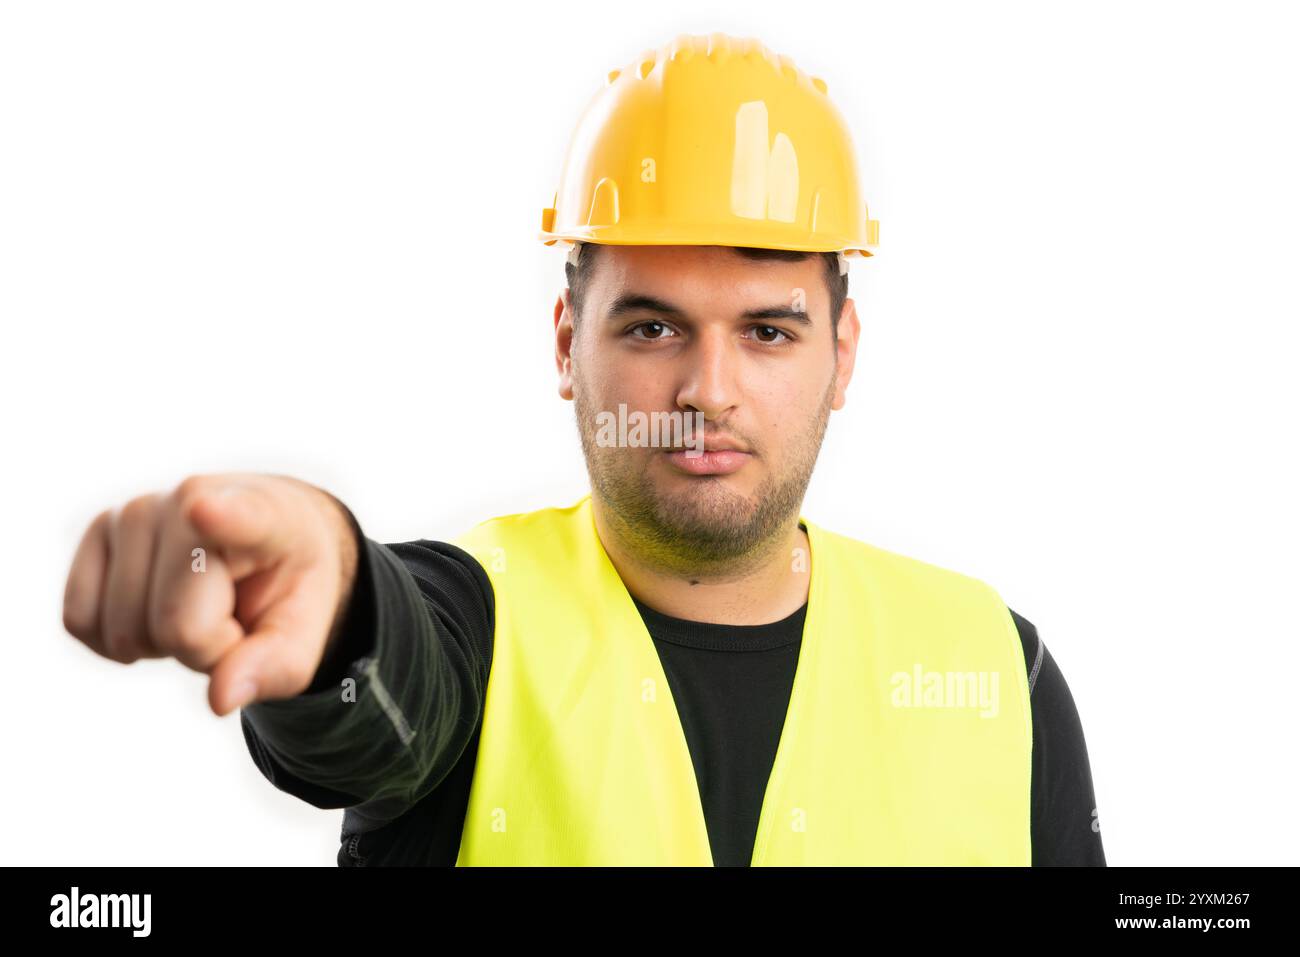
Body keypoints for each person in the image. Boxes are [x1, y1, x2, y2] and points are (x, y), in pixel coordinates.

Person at [61, 32, 1104, 866]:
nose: (707, 391)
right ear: (568, 344)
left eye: (768, 331)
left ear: (843, 355)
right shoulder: (476, 620)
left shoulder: (993, 668)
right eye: (652, 327)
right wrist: (335, 601)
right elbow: (386, 704)